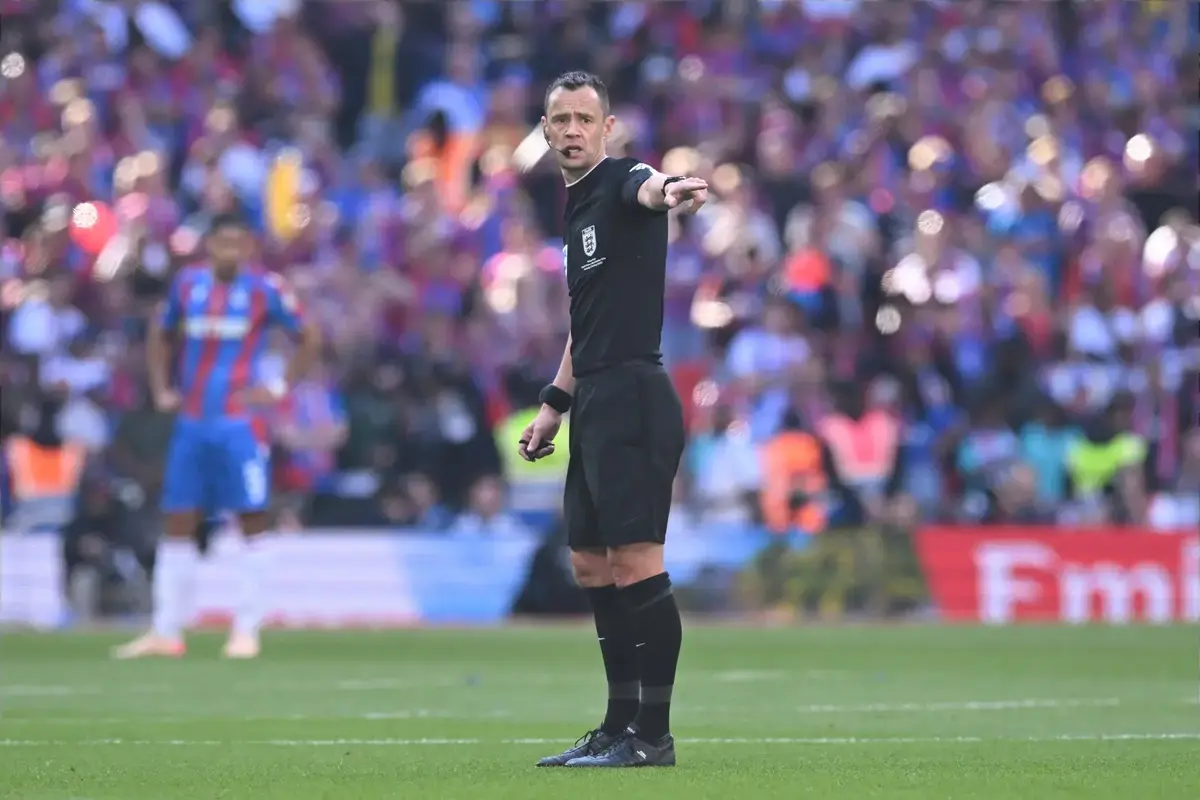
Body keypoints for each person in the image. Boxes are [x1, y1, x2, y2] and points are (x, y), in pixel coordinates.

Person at [521, 71, 708, 768]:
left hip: (633, 395)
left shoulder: (623, 179)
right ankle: (617, 725)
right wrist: (554, 402)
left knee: (635, 562)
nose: (571, 129)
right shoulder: (574, 207)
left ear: (606, 127)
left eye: (583, 118)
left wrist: (673, 188)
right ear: (545, 130)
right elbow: (585, 323)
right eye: (559, 118)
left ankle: (653, 736)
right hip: (594, 398)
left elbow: (651, 186)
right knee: (591, 566)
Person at [112, 213, 319, 660]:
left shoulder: (266, 290)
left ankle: (246, 630)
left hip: (239, 424)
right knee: (178, 520)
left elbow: (309, 336)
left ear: (248, 247)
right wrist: (161, 387)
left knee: (251, 519)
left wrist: (280, 387)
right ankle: (166, 631)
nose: (230, 251)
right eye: (221, 242)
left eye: (237, 243)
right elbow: (160, 333)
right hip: (191, 421)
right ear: (209, 246)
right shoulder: (188, 285)